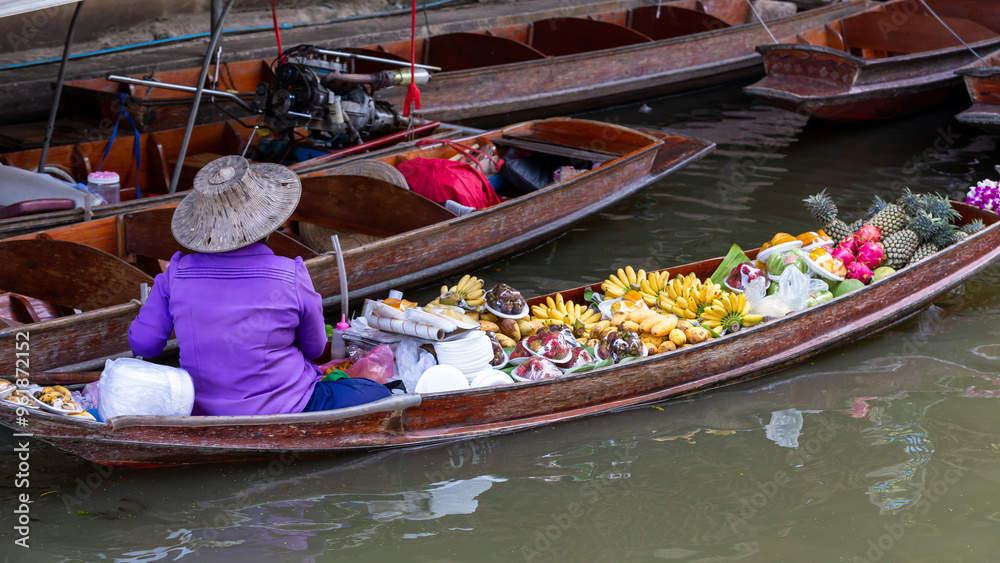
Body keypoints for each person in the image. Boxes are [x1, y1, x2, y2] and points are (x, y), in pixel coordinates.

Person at [127, 156, 390, 416]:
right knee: (380, 393)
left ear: (203, 229)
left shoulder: (175, 274)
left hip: (201, 410)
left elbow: (144, 345)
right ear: (268, 224)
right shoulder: (291, 274)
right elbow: (315, 348)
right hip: (289, 405)